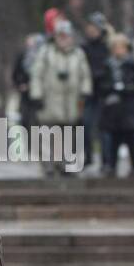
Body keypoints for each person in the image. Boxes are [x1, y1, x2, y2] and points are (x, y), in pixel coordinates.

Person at [30, 21, 93, 176]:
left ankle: (65, 163)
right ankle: (48, 164)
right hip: (50, 101)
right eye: (61, 36)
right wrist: (37, 95)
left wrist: (85, 91)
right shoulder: (46, 53)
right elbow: (37, 75)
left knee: (68, 135)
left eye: (66, 36)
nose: (64, 39)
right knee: (47, 133)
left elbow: (85, 75)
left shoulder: (78, 54)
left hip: (70, 103)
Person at [96, 33, 134, 178]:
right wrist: (112, 88)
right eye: (115, 47)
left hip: (129, 108)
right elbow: (100, 85)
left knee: (132, 139)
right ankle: (112, 166)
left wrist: (127, 88)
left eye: (121, 47)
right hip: (112, 109)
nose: (118, 50)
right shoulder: (106, 66)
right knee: (114, 140)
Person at [80, 13, 111, 170]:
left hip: (104, 92)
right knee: (85, 124)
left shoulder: (108, 47)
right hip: (88, 92)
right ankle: (88, 155)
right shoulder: (83, 48)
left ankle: (106, 160)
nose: (91, 31)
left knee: (104, 128)